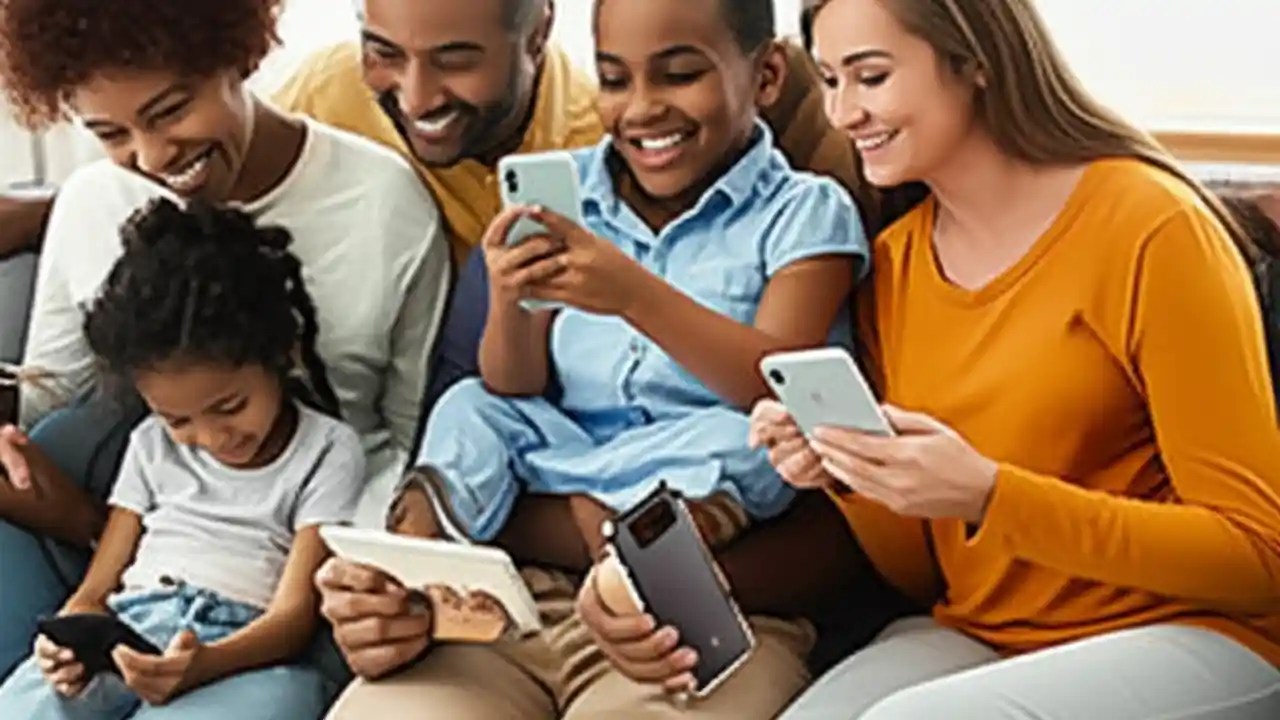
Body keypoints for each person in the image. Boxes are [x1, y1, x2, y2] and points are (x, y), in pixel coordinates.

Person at [319, 0, 868, 716]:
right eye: (614, 79)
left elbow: (780, 387)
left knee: (754, 430)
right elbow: (512, 385)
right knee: (471, 406)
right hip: (526, 593)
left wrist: (632, 293)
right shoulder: (562, 197)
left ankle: (653, 546)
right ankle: (419, 559)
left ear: (765, 76)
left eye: (678, 76)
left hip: (689, 579)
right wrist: (514, 296)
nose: (641, 109)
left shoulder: (805, 212)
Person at [752, 0, 1280, 718]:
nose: (843, 113)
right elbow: (922, 574)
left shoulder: (1151, 227)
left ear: (975, 63)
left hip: (1199, 631)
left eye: (870, 77)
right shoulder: (894, 266)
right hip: (991, 634)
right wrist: (851, 470)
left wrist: (992, 495)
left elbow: (1258, 557)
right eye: (830, 81)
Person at [0, 0, 448, 676]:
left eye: (169, 111)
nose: (148, 157)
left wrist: (356, 574)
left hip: (300, 560)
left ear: (238, 55)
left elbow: (409, 435)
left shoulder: (381, 203)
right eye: (110, 132)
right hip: (130, 534)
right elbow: (49, 404)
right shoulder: (95, 200)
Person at [0, 199, 365, 719]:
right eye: (179, 420)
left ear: (283, 354)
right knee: (29, 705)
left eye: (230, 407)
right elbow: (97, 588)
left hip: (242, 649)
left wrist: (205, 663)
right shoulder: (151, 444)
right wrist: (64, 645)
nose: (213, 437)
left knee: (274, 702)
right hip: (129, 628)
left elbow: (293, 618)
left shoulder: (326, 450)